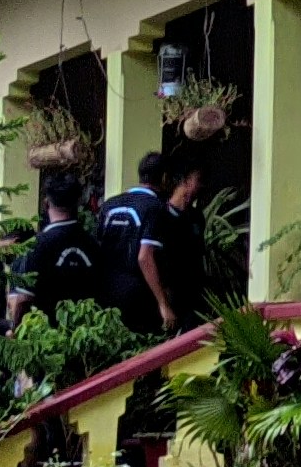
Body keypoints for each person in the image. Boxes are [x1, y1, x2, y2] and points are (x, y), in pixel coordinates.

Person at [95, 142, 213, 337]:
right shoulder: (156, 208)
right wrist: (163, 304)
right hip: (138, 296)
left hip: (106, 294)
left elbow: (98, 247)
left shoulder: (110, 205)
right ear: (166, 178)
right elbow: (145, 257)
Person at [19, 173, 104, 324]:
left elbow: (23, 299)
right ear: (78, 202)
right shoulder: (93, 245)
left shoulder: (36, 245)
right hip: (87, 334)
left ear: (46, 203)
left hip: (45, 336)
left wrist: (16, 329)